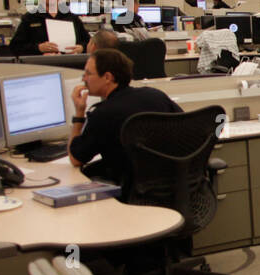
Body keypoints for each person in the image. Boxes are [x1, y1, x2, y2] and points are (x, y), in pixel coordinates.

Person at [68, 48, 181, 186]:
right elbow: (186, 126)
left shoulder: (102, 114)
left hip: (133, 192)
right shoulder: (156, 95)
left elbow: (76, 159)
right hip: (175, 183)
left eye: (88, 74)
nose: (83, 78)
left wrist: (79, 113)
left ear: (107, 77)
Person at [9, 0, 89, 56]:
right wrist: (38, 48)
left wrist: (81, 48)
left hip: (70, 63)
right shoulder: (30, 18)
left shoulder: (71, 17)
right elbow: (15, 47)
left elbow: (88, 42)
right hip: (43, 65)